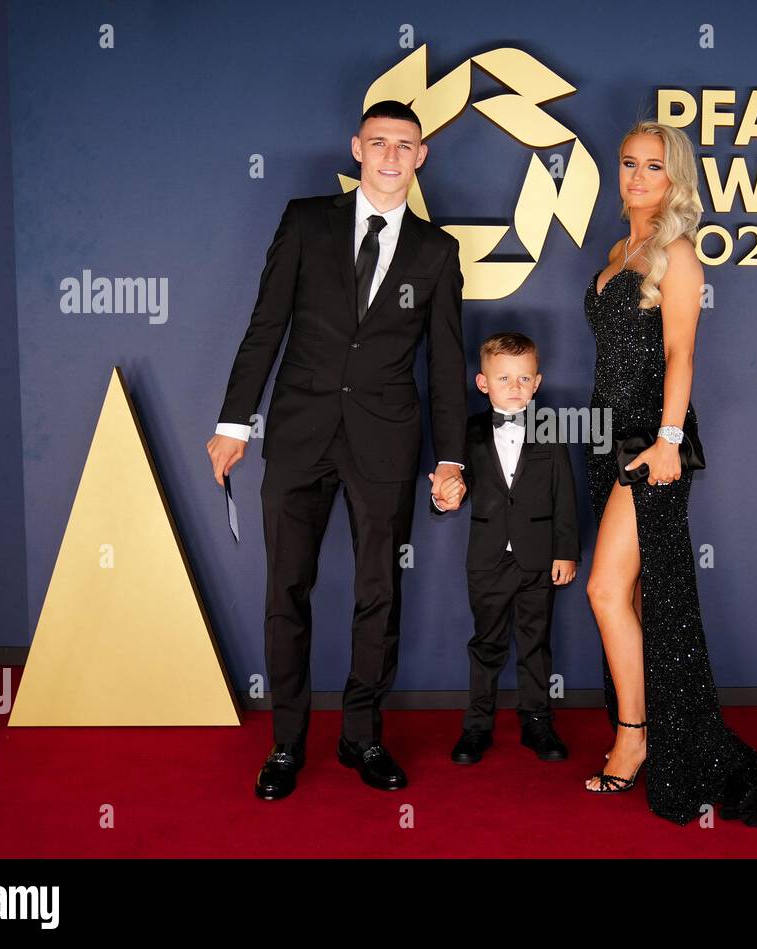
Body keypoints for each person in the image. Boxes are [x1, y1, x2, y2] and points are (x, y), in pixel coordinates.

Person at [205, 100, 469, 800]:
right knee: (285, 589)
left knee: (379, 592)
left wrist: (451, 457)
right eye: (378, 142)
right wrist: (235, 422)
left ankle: (361, 735)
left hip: (385, 440)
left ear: (421, 157)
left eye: (404, 144)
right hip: (296, 434)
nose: (390, 155)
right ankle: (287, 744)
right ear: (357, 148)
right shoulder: (304, 221)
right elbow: (266, 327)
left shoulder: (437, 252)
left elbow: (446, 364)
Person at [581, 121, 757, 826]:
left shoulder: (678, 254)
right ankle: (641, 726)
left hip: (651, 441)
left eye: (652, 167)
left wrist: (665, 440)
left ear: (674, 178)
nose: (636, 177)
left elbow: (682, 355)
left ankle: (634, 741)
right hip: (606, 435)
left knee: (606, 589)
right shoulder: (617, 249)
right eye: (628, 163)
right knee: (624, 593)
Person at [429, 333, 580, 764]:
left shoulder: (552, 429)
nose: (514, 386)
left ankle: (537, 723)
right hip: (487, 559)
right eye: (503, 378)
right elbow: (454, 487)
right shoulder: (467, 432)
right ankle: (477, 727)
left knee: (536, 643)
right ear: (483, 383)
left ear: (537, 382)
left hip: (539, 557)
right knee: (487, 643)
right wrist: (443, 498)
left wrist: (565, 551)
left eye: (523, 378)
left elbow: (564, 495)